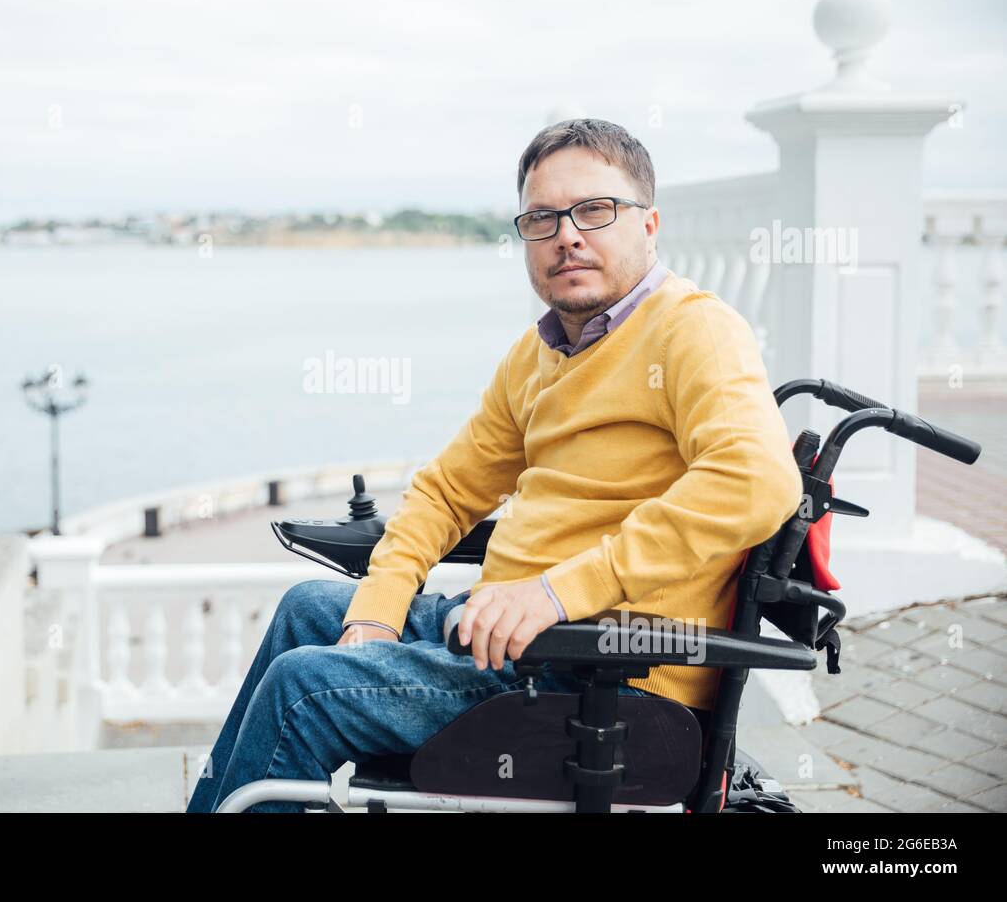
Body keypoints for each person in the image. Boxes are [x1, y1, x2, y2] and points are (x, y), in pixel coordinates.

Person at [185, 118, 802, 813]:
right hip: (520, 642)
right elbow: (447, 493)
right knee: (310, 611)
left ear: (650, 224)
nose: (567, 234)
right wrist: (378, 615)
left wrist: (556, 592)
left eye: (594, 211)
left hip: (613, 677)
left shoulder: (694, 329)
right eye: (543, 218)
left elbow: (760, 479)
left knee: (308, 688)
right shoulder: (539, 354)